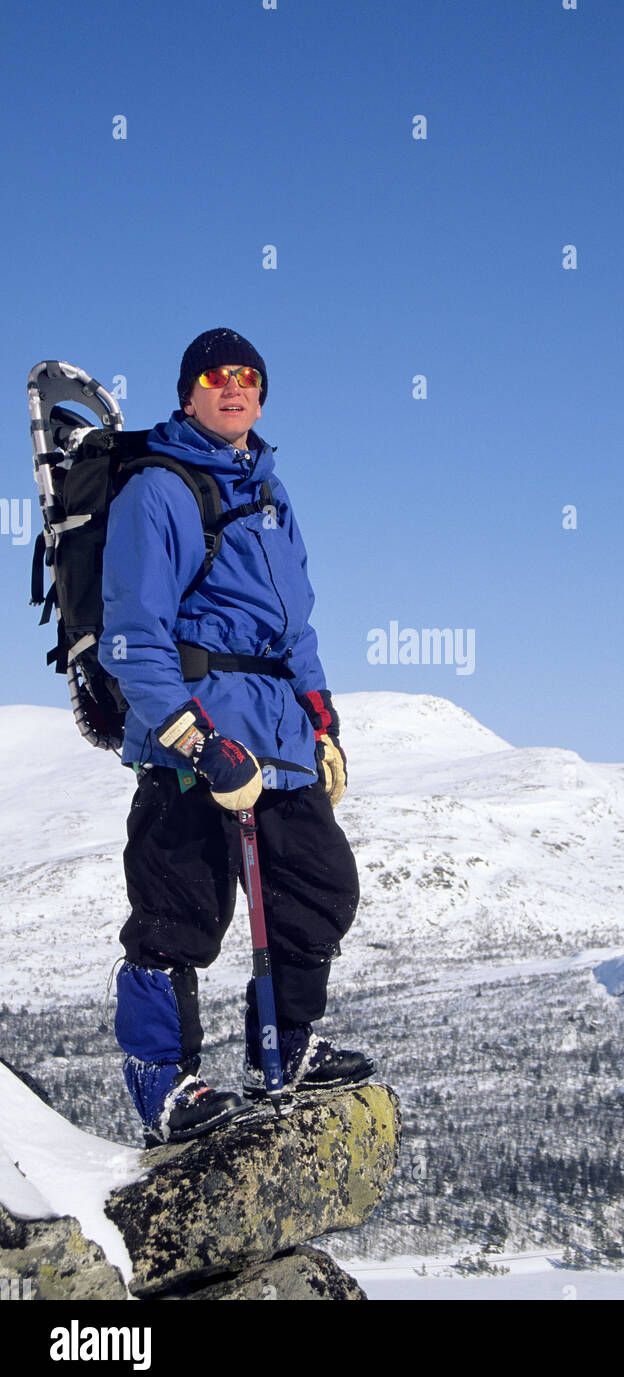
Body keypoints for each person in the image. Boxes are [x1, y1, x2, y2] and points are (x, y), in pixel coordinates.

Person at [99, 327, 374, 1147]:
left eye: (248, 376)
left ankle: (281, 1045)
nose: (234, 386)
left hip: (279, 741)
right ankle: (163, 1083)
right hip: (197, 736)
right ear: (188, 392)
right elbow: (132, 634)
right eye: (216, 376)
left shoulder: (273, 494)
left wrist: (322, 721)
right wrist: (194, 739)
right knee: (175, 912)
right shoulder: (160, 488)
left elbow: (297, 629)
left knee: (319, 889)